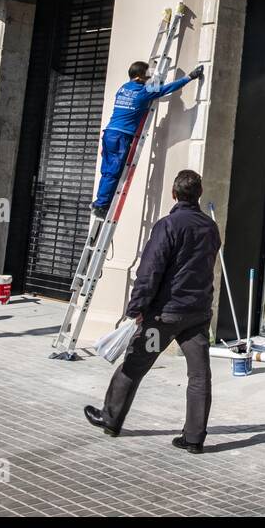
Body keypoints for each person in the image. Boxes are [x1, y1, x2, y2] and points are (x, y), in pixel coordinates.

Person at [84, 169, 221, 453]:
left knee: (135, 365)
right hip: (197, 315)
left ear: (174, 194)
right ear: (198, 195)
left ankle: (110, 419)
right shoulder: (210, 228)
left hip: (164, 317)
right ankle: (194, 438)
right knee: (200, 376)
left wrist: (136, 308)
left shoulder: (168, 226)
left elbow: (150, 270)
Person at [92, 60, 204, 217]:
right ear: (138, 78)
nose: (148, 79)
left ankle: (99, 202)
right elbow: (166, 89)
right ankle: (101, 205)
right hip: (121, 136)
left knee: (107, 170)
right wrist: (190, 77)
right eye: (146, 77)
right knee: (113, 172)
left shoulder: (123, 88)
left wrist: (154, 74)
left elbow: (154, 91)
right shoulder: (143, 92)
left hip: (110, 133)